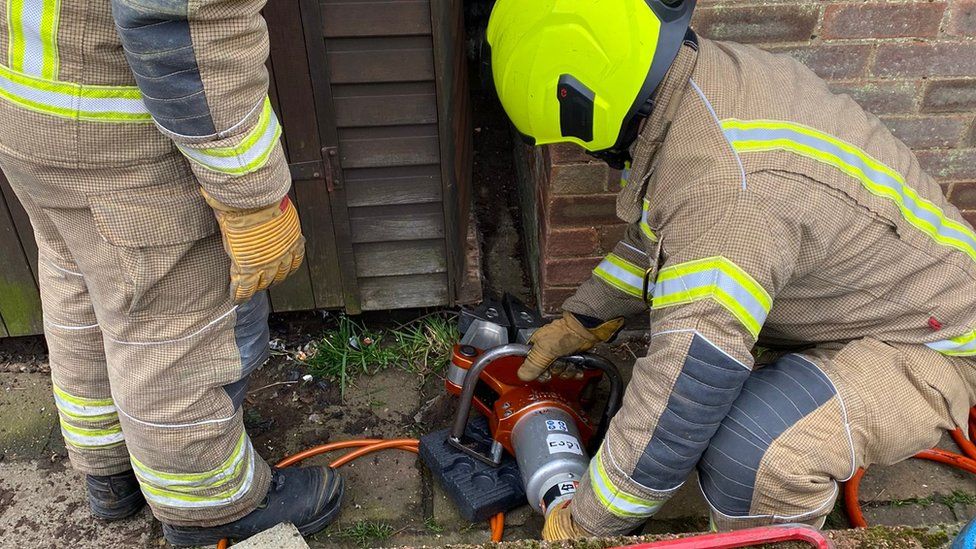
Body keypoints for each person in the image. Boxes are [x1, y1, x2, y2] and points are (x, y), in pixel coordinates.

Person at [487, 0, 976, 539]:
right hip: (877, 297)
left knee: (751, 455)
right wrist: (584, 317)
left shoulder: (724, 195)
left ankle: (774, 530)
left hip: (932, 342)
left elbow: (683, 395)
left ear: (588, 108)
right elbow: (661, 238)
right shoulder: (695, 84)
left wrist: (585, 522)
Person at [0, 1, 342, 545]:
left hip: (28, 106)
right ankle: (210, 506)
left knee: (82, 285)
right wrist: (251, 195)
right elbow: (182, 22)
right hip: (124, 139)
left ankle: (110, 470)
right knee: (175, 327)